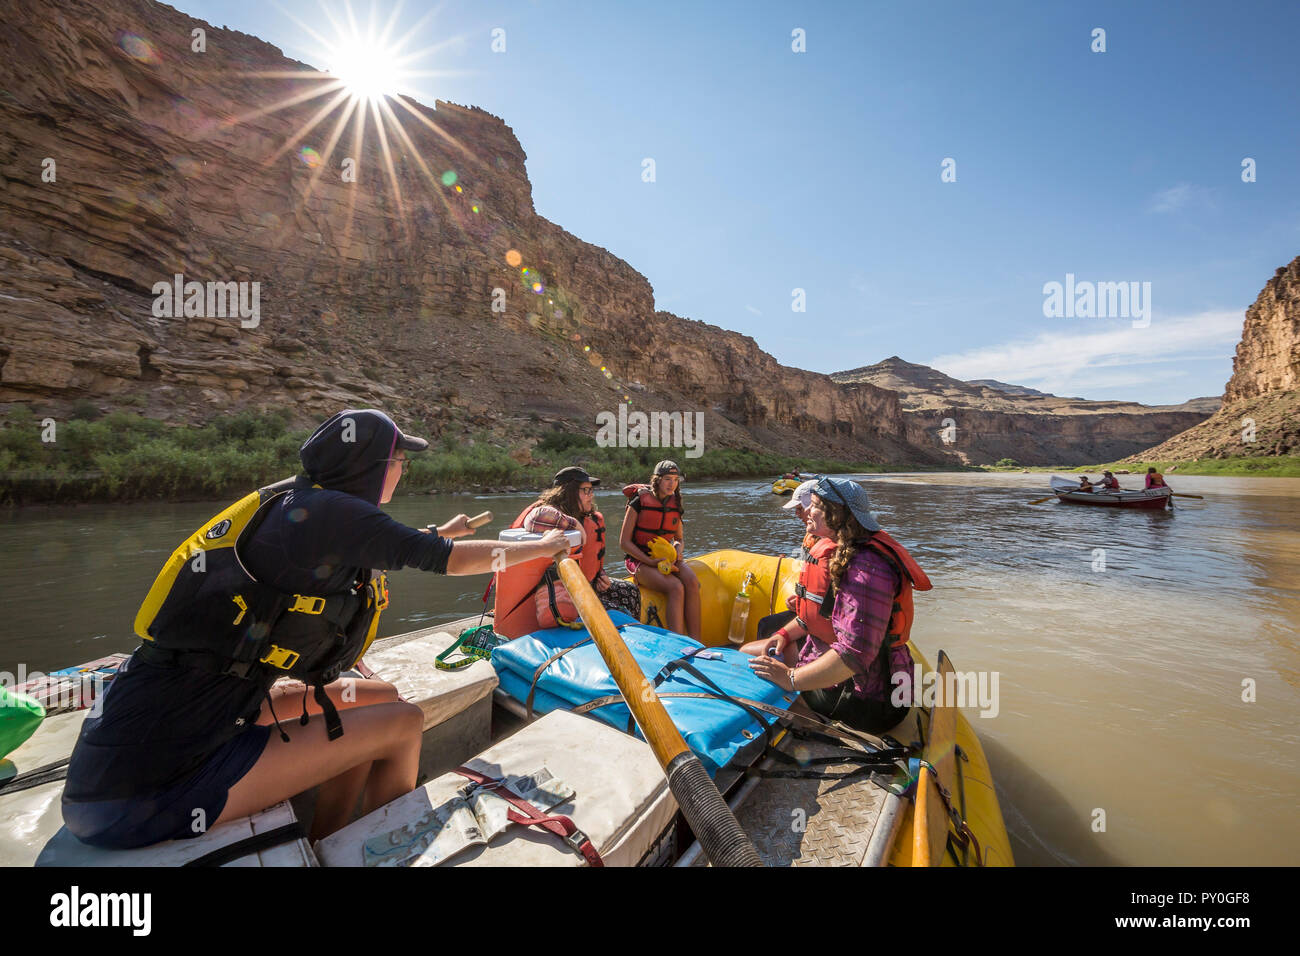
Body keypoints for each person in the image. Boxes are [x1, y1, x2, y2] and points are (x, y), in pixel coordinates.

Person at [62, 409, 570, 850]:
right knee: (403, 723)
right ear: (375, 466)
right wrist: (547, 546)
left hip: (182, 714)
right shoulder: (332, 513)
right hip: (143, 787)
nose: (402, 470)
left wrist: (438, 533)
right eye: (400, 460)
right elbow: (449, 561)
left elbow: (370, 546)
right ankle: (379, 851)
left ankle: (330, 840)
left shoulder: (301, 503)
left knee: (380, 696)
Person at [746, 477, 931, 735]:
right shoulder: (843, 551)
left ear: (836, 513)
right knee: (753, 652)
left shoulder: (868, 568)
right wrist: (783, 635)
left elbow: (854, 655)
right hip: (851, 684)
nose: (808, 510)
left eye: (815, 505)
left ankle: (805, 722)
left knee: (750, 669)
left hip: (868, 701)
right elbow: (819, 619)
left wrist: (789, 678)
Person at [494, 466, 640, 635]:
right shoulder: (548, 512)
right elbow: (535, 519)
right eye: (586, 490)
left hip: (587, 586)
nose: (591, 495)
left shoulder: (588, 516)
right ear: (568, 492)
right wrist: (574, 524)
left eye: (591, 490)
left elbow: (591, 557)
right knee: (620, 614)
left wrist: (601, 575)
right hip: (559, 595)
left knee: (631, 591)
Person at [619, 460, 701, 642]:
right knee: (676, 587)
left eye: (675, 480)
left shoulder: (675, 502)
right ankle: (678, 644)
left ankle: (697, 642)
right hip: (639, 560)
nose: (672, 484)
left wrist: (677, 551)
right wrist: (650, 562)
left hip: (666, 558)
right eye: (667, 479)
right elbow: (624, 543)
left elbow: (679, 538)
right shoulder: (639, 501)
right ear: (657, 480)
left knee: (692, 582)